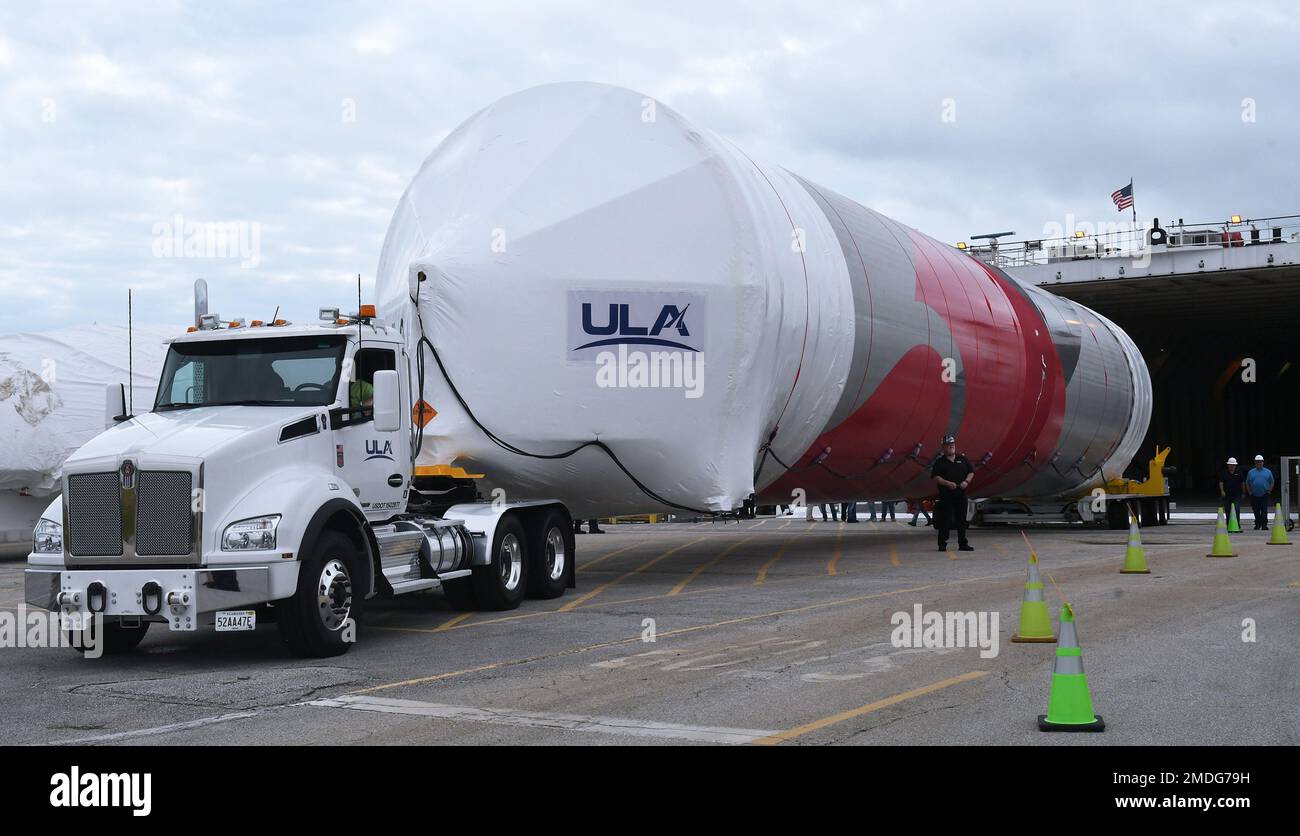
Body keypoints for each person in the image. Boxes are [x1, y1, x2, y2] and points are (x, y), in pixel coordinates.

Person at [930, 434, 974, 551]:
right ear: (943, 447)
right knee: (945, 520)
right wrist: (947, 483)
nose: (951, 447)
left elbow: (971, 472)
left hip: (960, 494)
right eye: (948, 445)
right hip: (946, 495)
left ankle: (963, 544)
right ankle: (942, 544)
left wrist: (966, 481)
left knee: (961, 520)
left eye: (952, 445)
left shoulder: (962, 459)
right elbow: (935, 477)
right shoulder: (940, 462)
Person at [1245, 455, 1275, 530]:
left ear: (1263, 462)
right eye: (1257, 462)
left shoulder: (1268, 472)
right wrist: (1249, 491)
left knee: (1264, 510)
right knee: (1256, 510)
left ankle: (1264, 525)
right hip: (1254, 495)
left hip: (1264, 494)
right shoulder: (1251, 472)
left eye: (1260, 462)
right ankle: (1257, 524)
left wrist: (1269, 490)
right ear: (1255, 463)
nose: (1259, 463)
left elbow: (1272, 482)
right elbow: (1247, 483)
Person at [1219, 457, 1245, 527]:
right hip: (1227, 495)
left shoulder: (1239, 473)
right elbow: (1221, 482)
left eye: (1233, 465)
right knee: (1227, 510)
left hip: (1236, 495)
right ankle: (1228, 524)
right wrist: (1222, 491)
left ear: (1235, 465)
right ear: (1228, 465)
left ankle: (1237, 524)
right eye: (1230, 464)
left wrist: (1243, 492)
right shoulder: (1224, 473)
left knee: (1236, 509)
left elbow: (1242, 483)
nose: (1232, 466)